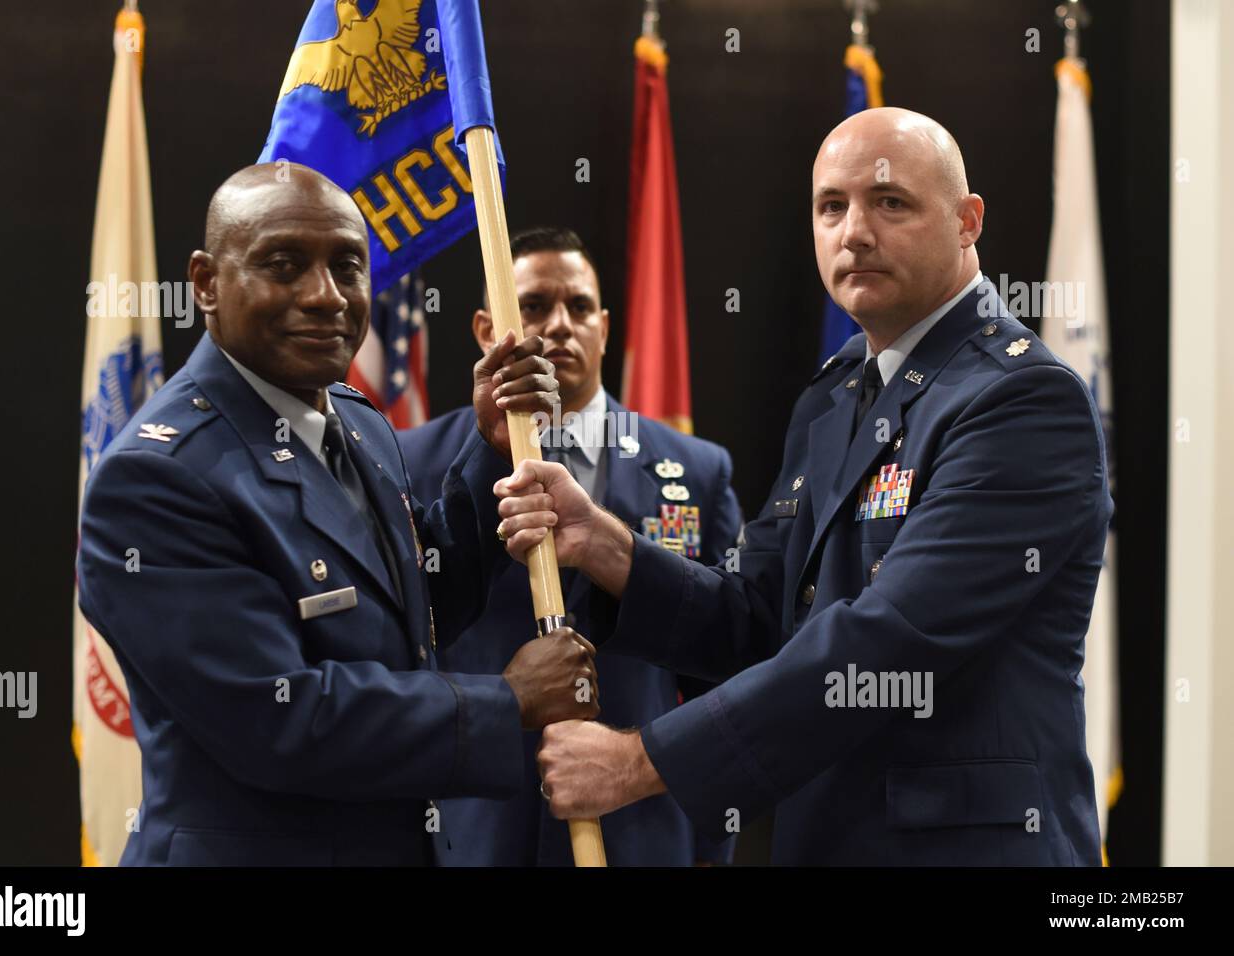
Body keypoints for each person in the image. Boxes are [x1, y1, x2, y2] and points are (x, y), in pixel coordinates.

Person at [495, 108, 1112, 866]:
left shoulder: (1020, 399)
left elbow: (889, 643)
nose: (854, 232)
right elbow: (759, 617)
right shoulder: (837, 392)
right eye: (831, 206)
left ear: (966, 220)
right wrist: (607, 544)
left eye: (889, 203)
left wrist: (641, 762)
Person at [77, 164, 599, 866]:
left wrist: (490, 448)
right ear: (204, 284)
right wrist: (506, 702)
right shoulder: (155, 479)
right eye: (285, 264)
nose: (326, 296)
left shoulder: (355, 420)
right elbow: (279, 720)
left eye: (348, 266)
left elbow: (415, 610)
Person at [398, 227, 742, 866]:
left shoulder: (696, 469)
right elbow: (406, 651)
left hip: (641, 828)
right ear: (484, 329)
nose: (559, 326)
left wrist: (712, 840)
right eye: (532, 306)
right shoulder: (413, 463)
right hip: (473, 832)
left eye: (579, 308)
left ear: (606, 328)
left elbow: (719, 675)